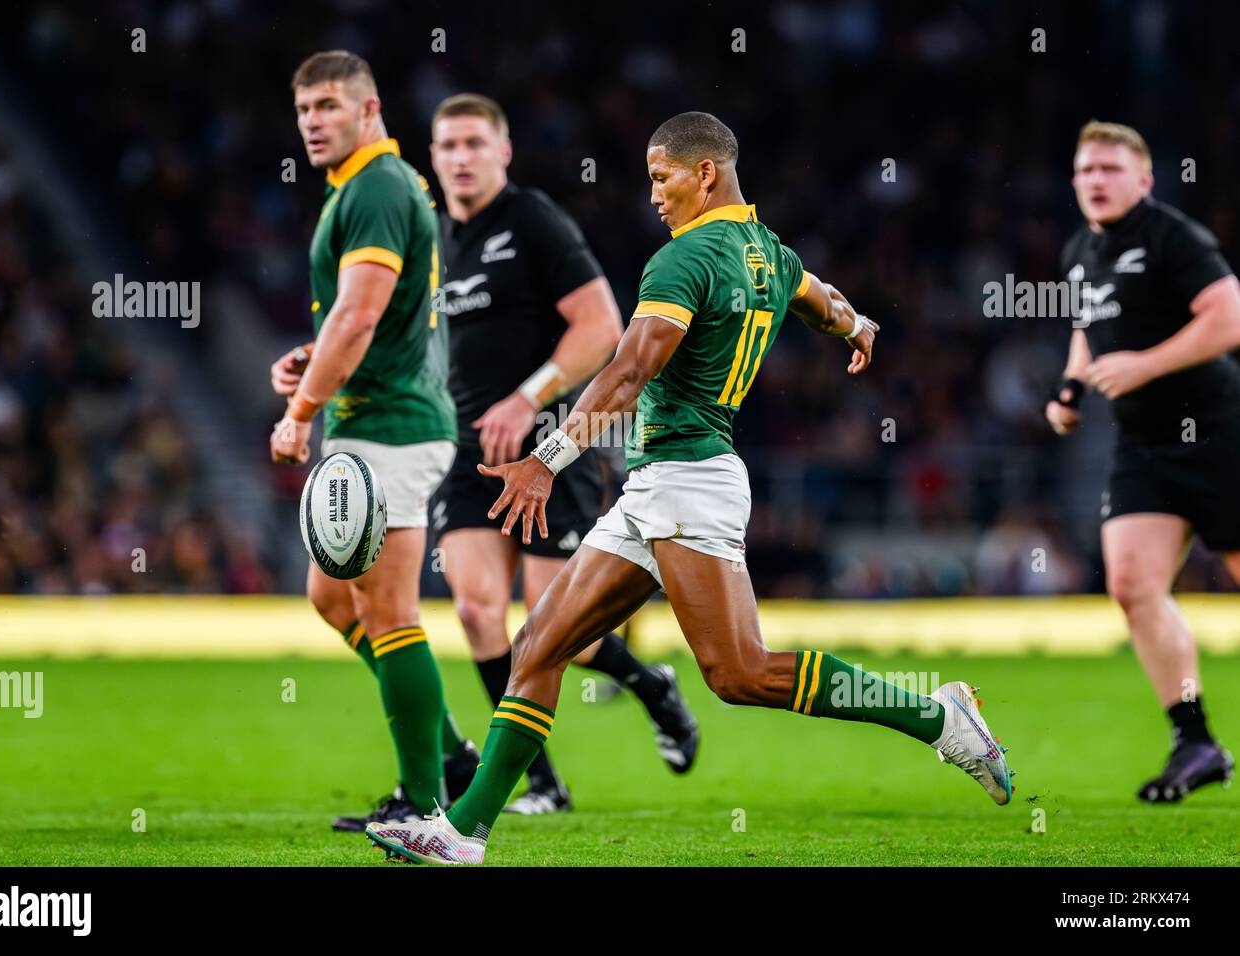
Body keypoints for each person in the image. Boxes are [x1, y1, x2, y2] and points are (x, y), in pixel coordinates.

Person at [366, 111, 1012, 865]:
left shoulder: (683, 260)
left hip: (691, 481)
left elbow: (629, 371)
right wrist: (856, 325)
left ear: (705, 174)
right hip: (657, 486)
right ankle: (463, 833)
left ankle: (939, 719)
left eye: (662, 177)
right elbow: (821, 297)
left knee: (739, 674)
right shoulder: (767, 250)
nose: (654, 195)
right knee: (538, 644)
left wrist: (546, 460)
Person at [426, 93, 700, 814]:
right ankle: (538, 780)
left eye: (474, 144)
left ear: (503, 152)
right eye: (447, 145)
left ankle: (652, 686)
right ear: (433, 157)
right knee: (477, 610)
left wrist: (527, 395)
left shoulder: (534, 221)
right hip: (466, 448)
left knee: (558, 633)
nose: (460, 157)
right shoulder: (431, 238)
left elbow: (602, 325)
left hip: (551, 442)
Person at [268, 50, 477, 830]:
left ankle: (426, 805)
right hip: (372, 418)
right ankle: (451, 752)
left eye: (327, 106)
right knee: (333, 597)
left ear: (369, 108)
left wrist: (301, 412)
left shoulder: (380, 186)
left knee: (389, 613)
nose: (313, 122)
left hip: (393, 426)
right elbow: (359, 320)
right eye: (303, 110)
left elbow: (359, 317)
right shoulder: (363, 188)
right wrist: (311, 364)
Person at [1046, 120, 1240, 802]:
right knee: (1131, 584)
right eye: (1084, 170)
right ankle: (1196, 742)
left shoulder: (1173, 237)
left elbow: (1228, 316)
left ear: (1144, 180)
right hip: (1144, 445)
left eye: (1108, 168)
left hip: (1218, 432)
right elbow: (1087, 327)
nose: (1095, 180)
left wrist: (1145, 365)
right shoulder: (1078, 250)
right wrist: (1072, 388)